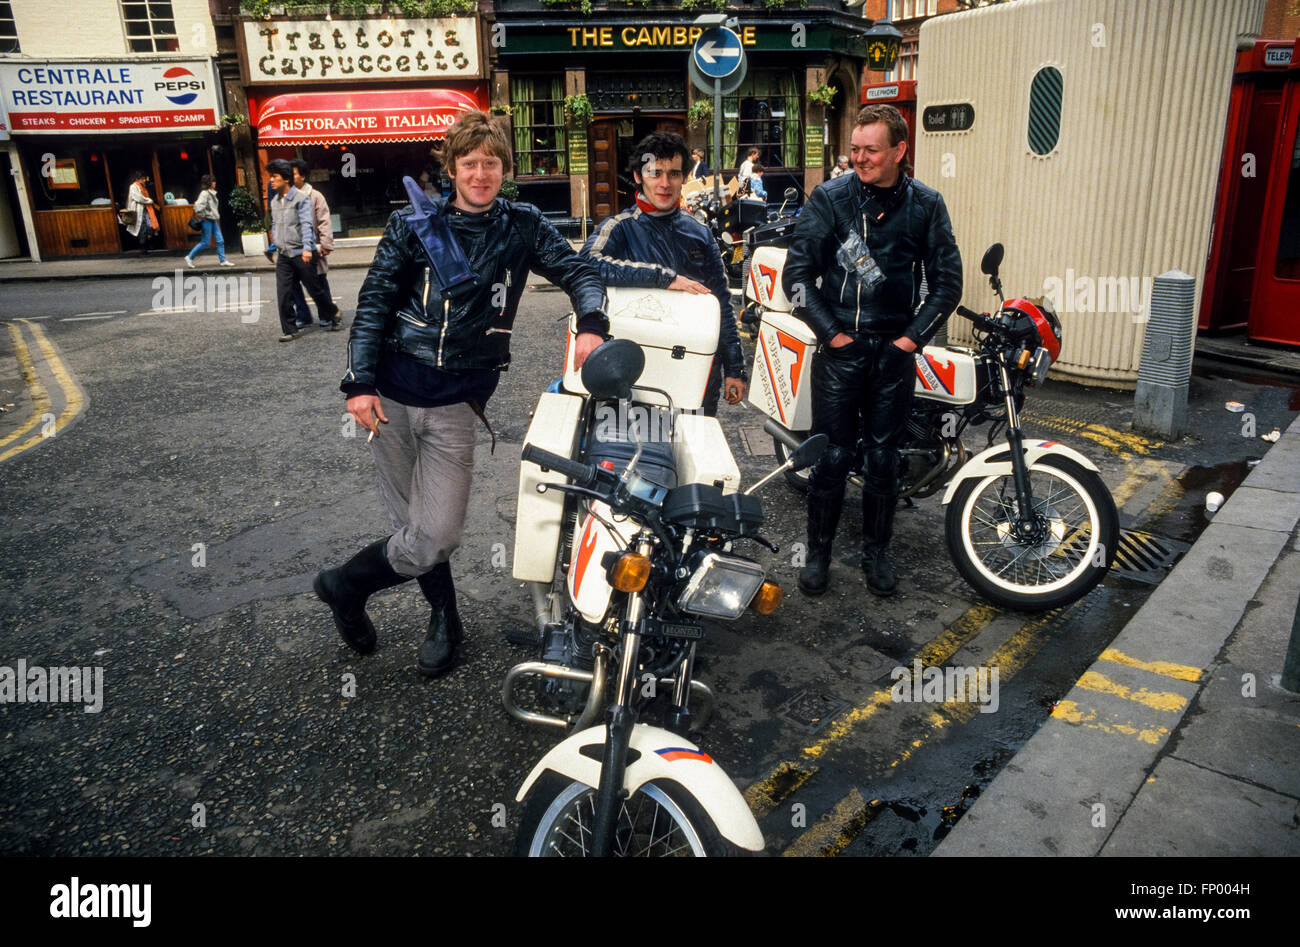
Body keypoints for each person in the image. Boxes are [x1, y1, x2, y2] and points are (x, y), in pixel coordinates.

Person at [314, 111, 607, 678]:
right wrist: (359, 382)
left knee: (434, 534)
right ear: (450, 169)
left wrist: (592, 319)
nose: (480, 174)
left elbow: (579, 270)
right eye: (469, 163)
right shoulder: (411, 225)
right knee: (416, 531)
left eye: (490, 164)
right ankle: (445, 618)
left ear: (504, 169)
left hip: (454, 404)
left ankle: (343, 585)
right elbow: (374, 302)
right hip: (391, 400)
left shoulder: (522, 226)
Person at [782, 104, 962, 598]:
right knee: (833, 458)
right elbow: (796, 279)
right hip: (840, 352)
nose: (859, 159)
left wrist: (909, 341)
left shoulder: (926, 204)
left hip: (894, 355)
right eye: (855, 149)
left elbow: (948, 286)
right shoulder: (830, 199)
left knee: (884, 459)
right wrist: (833, 334)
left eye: (871, 150)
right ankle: (817, 554)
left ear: (900, 151)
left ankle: (876, 556)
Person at [581, 130, 746, 417]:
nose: (665, 183)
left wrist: (735, 368)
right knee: (639, 455)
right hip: (638, 367)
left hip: (696, 371)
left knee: (692, 452)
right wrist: (664, 278)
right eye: (655, 173)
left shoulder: (701, 233)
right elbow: (588, 262)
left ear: (684, 177)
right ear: (637, 176)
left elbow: (721, 304)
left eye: (674, 174)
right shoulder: (619, 227)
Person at [267, 158, 339, 342]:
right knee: (284, 293)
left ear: (285, 179)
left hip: (302, 252)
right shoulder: (275, 201)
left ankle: (332, 312)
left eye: (274, 177)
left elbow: (307, 225)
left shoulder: (301, 199)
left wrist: (308, 249)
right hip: (284, 255)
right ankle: (289, 329)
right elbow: (276, 224)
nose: (271, 180)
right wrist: (274, 244)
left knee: (315, 290)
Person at [289, 158, 340, 331]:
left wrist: (325, 244)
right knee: (294, 284)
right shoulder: (286, 196)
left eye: (293, 173)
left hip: (312, 247)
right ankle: (303, 316)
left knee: (318, 282)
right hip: (292, 248)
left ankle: (326, 314)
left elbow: (324, 221)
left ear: (302, 176)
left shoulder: (315, 196)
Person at [185, 175, 233, 268]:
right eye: (213, 181)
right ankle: (189, 257)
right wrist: (203, 217)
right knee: (205, 243)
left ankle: (223, 261)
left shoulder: (211, 192)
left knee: (220, 240)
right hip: (206, 220)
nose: (215, 183)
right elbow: (198, 206)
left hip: (212, 220)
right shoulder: (205, 193)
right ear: (209, 183)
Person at [124, 171, 158, 254]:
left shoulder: (144, 187)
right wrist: (148, 200)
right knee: (142, 228)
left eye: (144, 178)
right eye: (142, 179)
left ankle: (149, 244)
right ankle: (143, 247)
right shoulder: (133, 187)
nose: (144, 180)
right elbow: (138, 198)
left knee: (150, 227)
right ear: (137, 179)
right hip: (139, 211)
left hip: (146, 210)